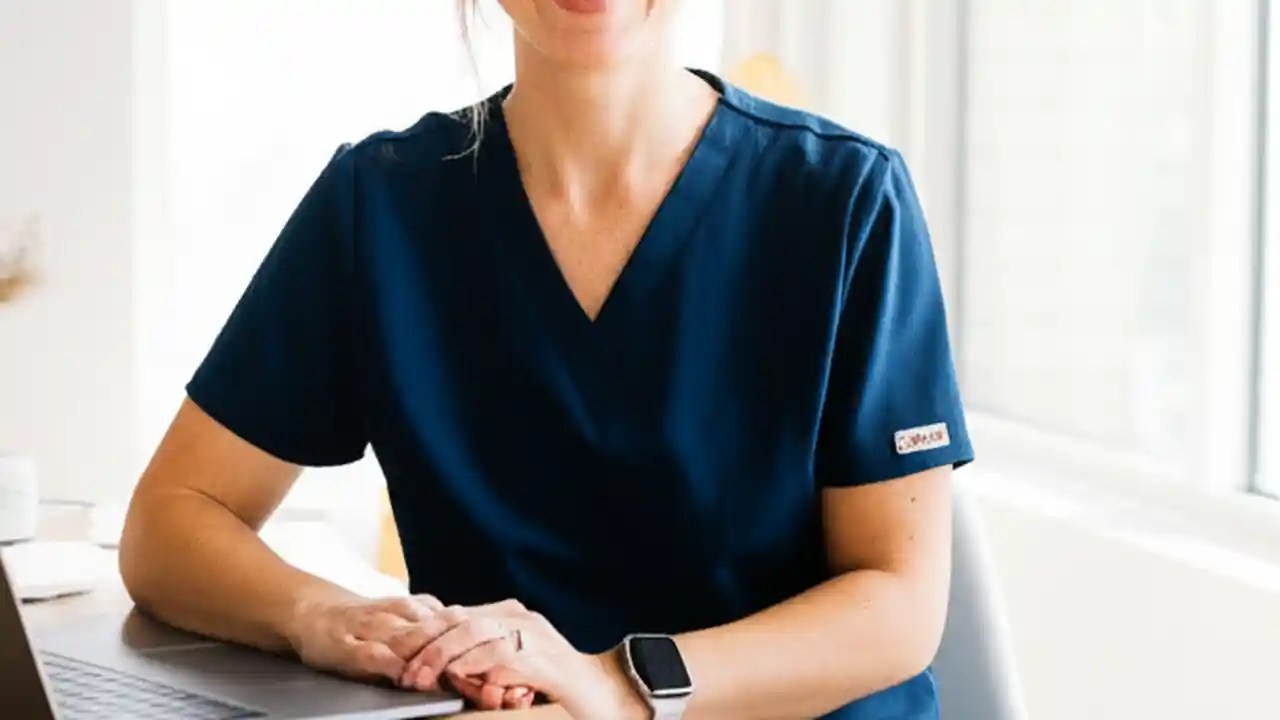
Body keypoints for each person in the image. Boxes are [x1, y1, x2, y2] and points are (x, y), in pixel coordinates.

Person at [118, 0, 974, 718]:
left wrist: (618, 686)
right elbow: (172, 522)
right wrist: (321, 615)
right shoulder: (378, 207)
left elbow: (897, 607)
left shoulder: (843, 200)